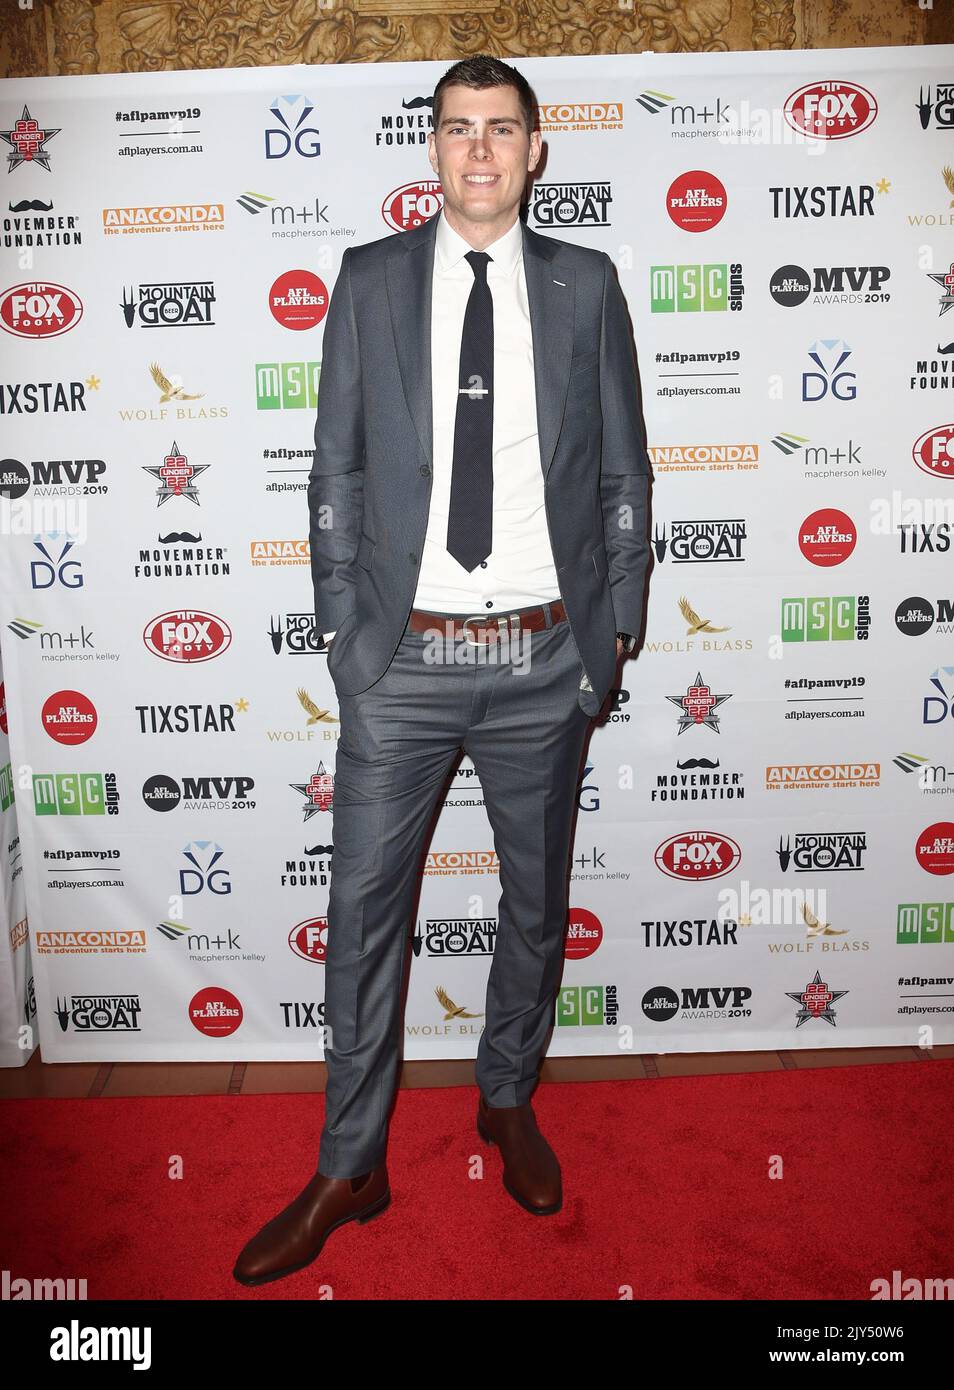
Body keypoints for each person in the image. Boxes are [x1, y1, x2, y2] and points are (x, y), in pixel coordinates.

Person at [233, 53, 650, 1287]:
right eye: (457, 130)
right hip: (401, 657)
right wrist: (345, 640)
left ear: (535, 150)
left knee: (533, 902)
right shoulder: (368, 282)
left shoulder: (587, 284)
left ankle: (505, 1097)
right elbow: (336, 472)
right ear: (433, 149)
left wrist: (612, 628)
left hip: (540, 652)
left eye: (500, 129)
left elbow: (626, 471)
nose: (478, 151)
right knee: (364, 918)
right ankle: (351, 1163)